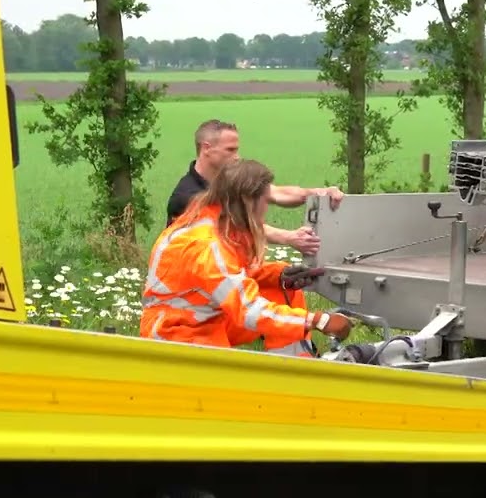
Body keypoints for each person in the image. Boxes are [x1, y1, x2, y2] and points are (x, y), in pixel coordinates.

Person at [142, 159, 352, 358]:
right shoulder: (206, 244)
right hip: (176, 332)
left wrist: (278, 275)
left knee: (281, 291)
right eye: (266, 200)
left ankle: (295, 370)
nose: (267, 208)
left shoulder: (217, 221)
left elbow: (228, 275)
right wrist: (318, 320)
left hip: (203, 316)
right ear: (248, 201)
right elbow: (248, 310)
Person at [165, 119, 346, 256]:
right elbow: (236, 225)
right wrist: (289, 237)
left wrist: (321, 193)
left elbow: (278, 193)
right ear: (206, 148)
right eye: (230, 150)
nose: (237, 157)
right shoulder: (187, 197)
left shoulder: (232, 179)